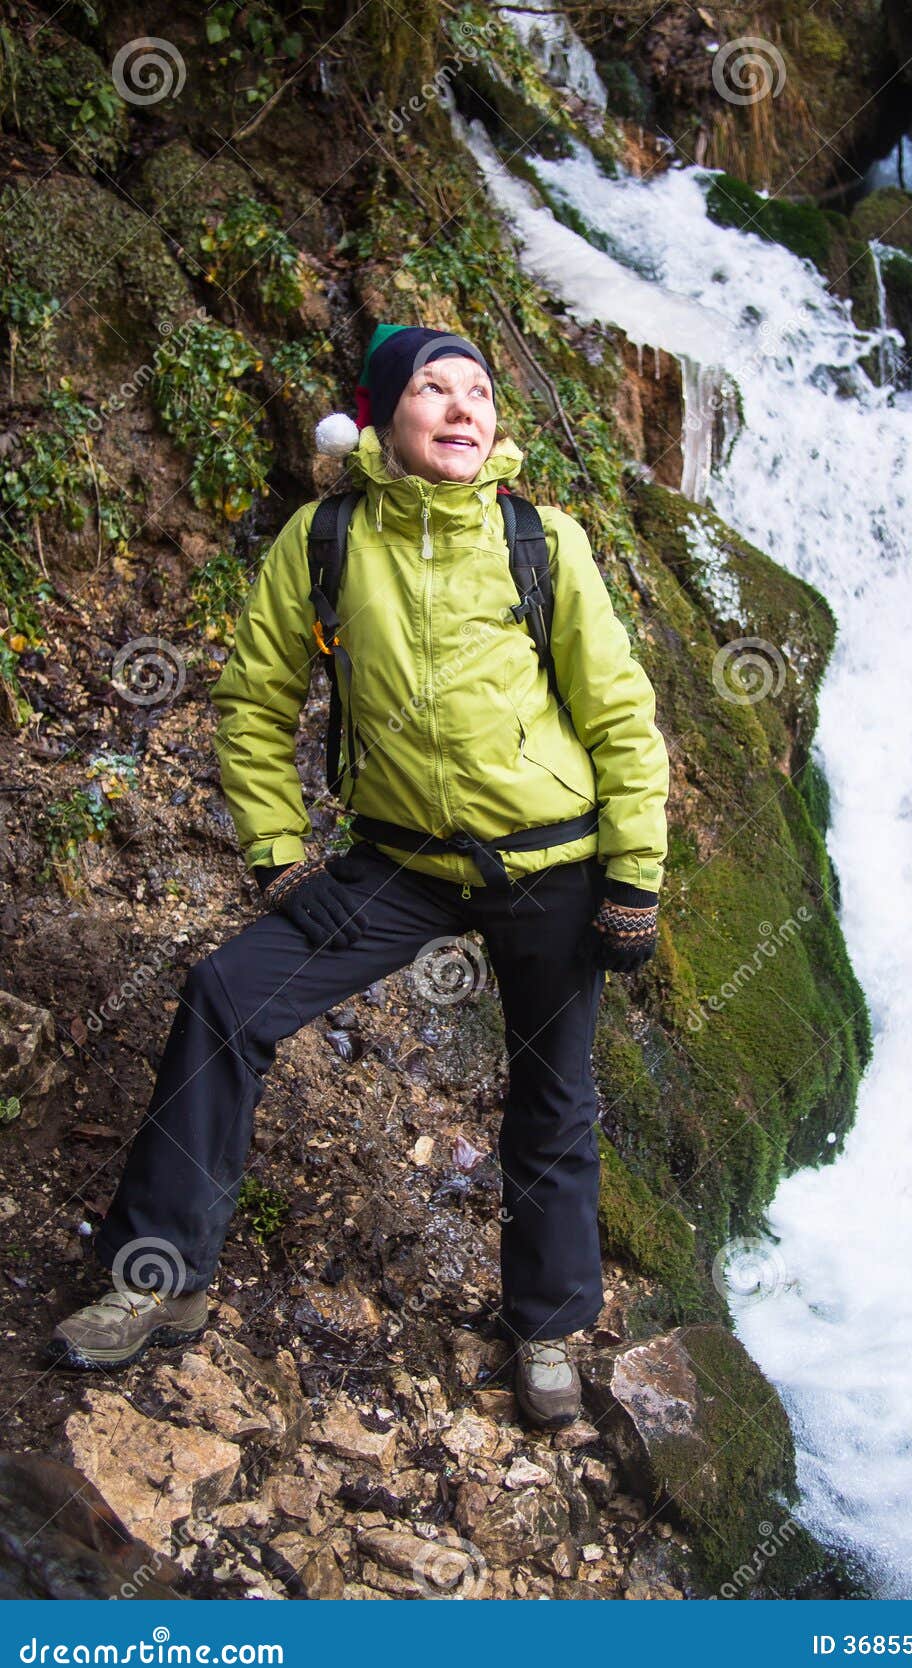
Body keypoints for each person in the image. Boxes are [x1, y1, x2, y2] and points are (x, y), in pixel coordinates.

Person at [45, 324, 670, 1429]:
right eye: (437, 388)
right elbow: (253, 699)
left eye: (480, 391)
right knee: (226, 997)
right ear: (383, 415)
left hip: (551, 861)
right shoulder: (327, 536)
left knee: (554, 1092)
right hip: (399, 862)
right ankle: (159, 1276)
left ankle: (546, 1324)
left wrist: (634, 874)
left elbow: (620, 710)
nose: (466, 406)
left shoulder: (542, 540)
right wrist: (279, 848)